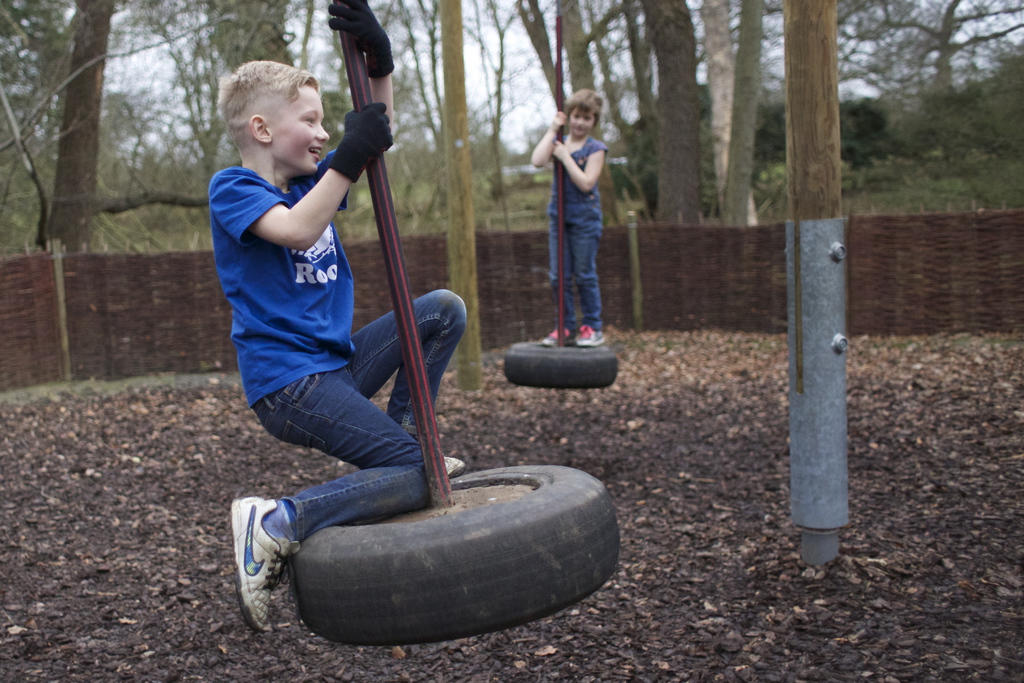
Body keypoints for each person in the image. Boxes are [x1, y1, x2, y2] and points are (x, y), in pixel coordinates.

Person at [209, 0, 466, 633]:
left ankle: (408, 435)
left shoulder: (309, 184)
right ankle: (276, 522)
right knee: (415, 474)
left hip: (335, 367)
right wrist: (349, 154)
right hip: (288, 384)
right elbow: (296, 232)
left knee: (440, 312)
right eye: (312, 121)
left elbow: (373, 134)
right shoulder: (236, 189)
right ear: (264, 130)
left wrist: (381, 64)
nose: (325, 134)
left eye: (327, 124)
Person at [530, 89, 608, 348]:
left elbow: (586, 183)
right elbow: (537, 161)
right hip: (558, 217)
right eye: (576, 116)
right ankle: (563, 326)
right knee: (558, 276)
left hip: (585, 218)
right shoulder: (558, 141)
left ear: (593, 122)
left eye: (586, 119)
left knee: (584, 275)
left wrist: (564, 157)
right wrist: (553, 129)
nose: (580, 123)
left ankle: (592, 327)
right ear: (569, 116)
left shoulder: (595, 149)